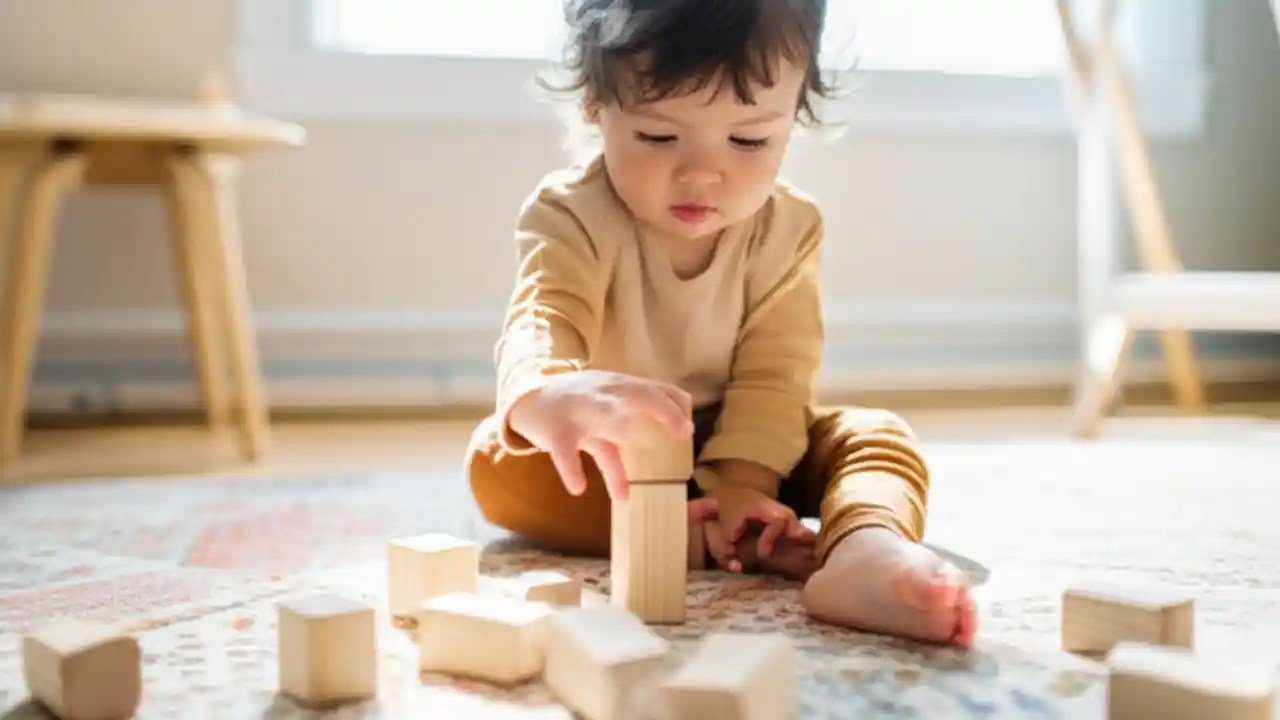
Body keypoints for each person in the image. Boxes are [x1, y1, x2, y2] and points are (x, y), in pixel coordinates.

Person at [466, 0, 976, 647]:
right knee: (500, 461)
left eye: (749, 140)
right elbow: (545, 313)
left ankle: (862, 548)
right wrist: (546, 389)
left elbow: (777, 375)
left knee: (874, 436)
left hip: (750, 441)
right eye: (658, 137)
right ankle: (701, 536)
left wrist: (743, 484)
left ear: (795, 116)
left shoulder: (790, 229)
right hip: (623, 452)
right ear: (598, 105)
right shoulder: (569, 213)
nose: (702, 173)